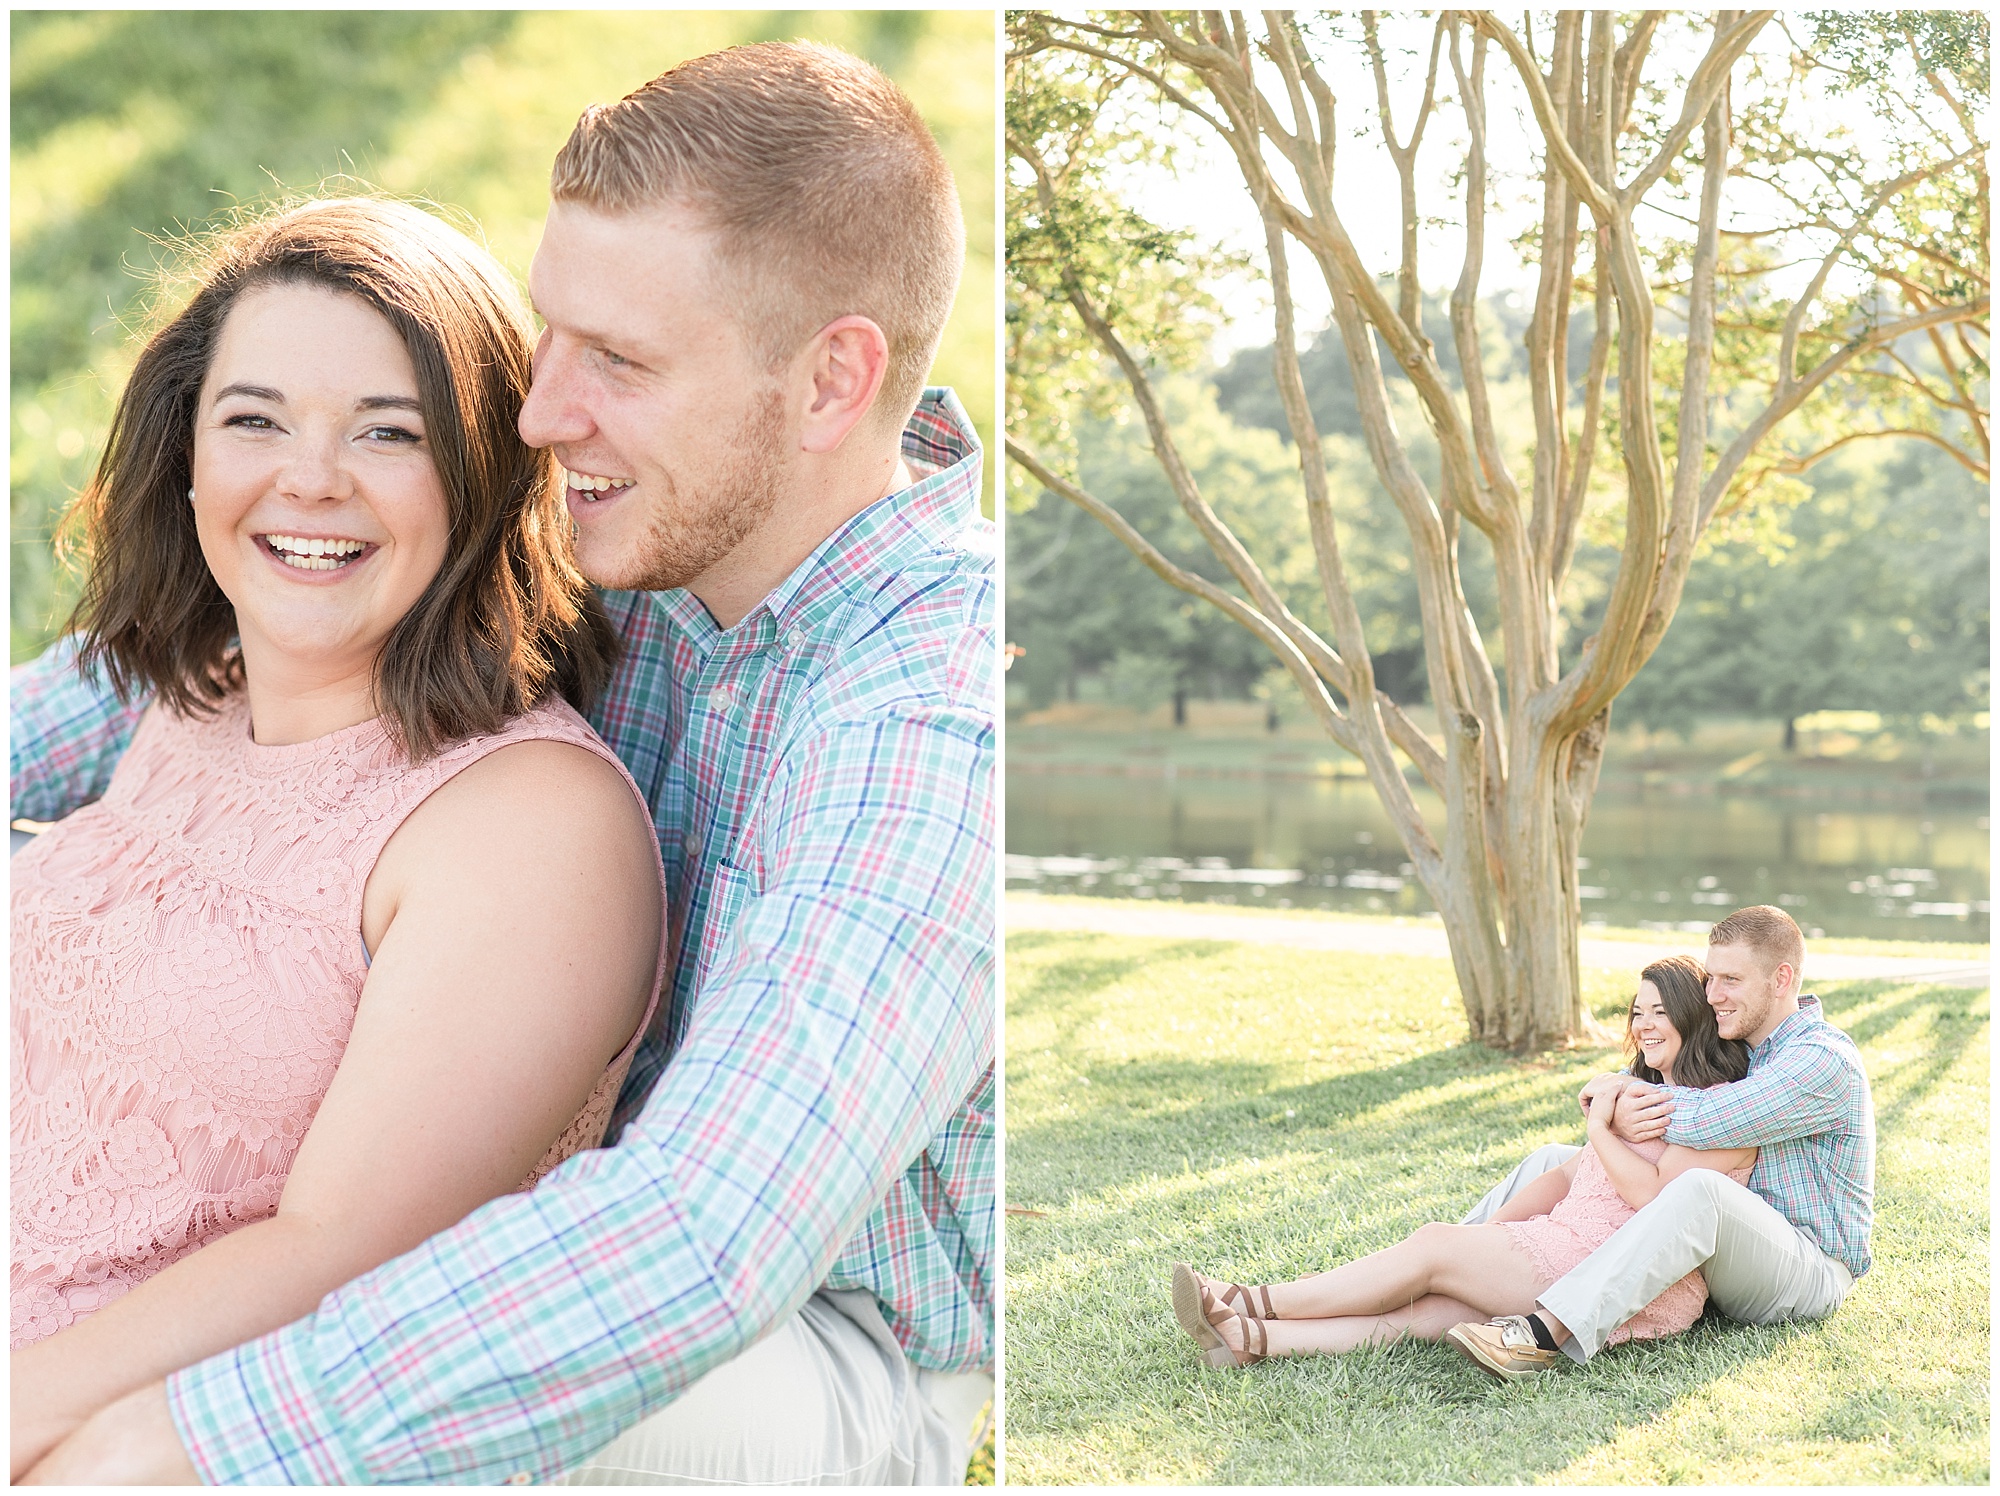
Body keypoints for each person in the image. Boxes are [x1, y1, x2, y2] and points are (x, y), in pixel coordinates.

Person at [11, 41, 995, 1486]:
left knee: (501, 1395)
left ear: (830, 381)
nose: (540, 414)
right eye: (556, 333)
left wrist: (183, 1436)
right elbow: (251, 636)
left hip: (803, 1334)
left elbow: (702, 1237)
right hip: (524, 1176)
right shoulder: (647, 515)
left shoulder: (933, 726)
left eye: (623, 362)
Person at [10, 198, 666, 1472]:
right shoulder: (197, 684)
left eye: (388, 432)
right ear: (188, 456)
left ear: (482, 478)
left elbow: (339, 1255)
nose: (309, 477)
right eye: (255, 418)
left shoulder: (528, 828)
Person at [1171, 955, 1755, 1367]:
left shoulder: (1724, 1114)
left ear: (1692, 1017)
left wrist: (1598, 1126)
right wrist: (1490, 1233)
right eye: (1637, 1012)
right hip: (1567, 1243)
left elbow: (1653, 1198)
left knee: (1432, 1246)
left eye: (1660, 1012)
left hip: (1621, 1277)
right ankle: (1255, 1339)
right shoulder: (1635, 1095)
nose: (1644, 1025)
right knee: (1436, 1309)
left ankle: (1255, 1299)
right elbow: (1566, 1177)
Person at [1445, 905, 1874, 1380]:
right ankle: (1452, 1256)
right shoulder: (1750, 1050)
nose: (1713, 995)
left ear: (1781, 978)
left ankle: (1542, 1334)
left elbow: (1714, 1119)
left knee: (1698, 1191)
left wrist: (1622, 1097)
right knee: (1556, 1159)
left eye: (1730, 979)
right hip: (1735, 1250)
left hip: (1807, 1267)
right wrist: (1618, 1096)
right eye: (1710, 978)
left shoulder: (1819, 1058)